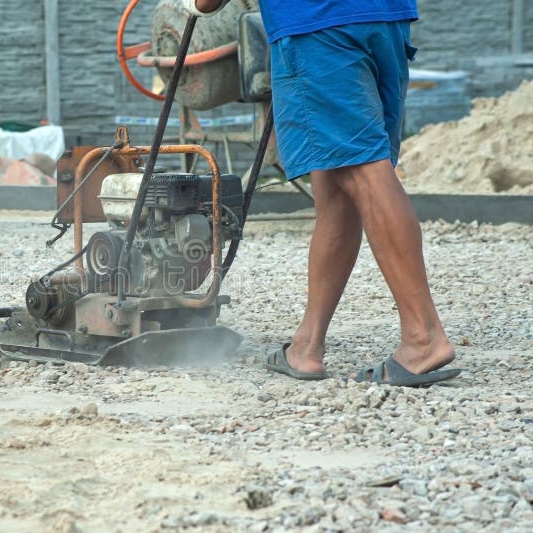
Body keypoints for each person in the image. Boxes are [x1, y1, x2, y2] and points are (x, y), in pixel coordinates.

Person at [183, 0, 460, 386]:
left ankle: (423, 338)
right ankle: (307, 346)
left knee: (363, 172)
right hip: (385, 20)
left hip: (317, 25)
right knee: (336, 187)